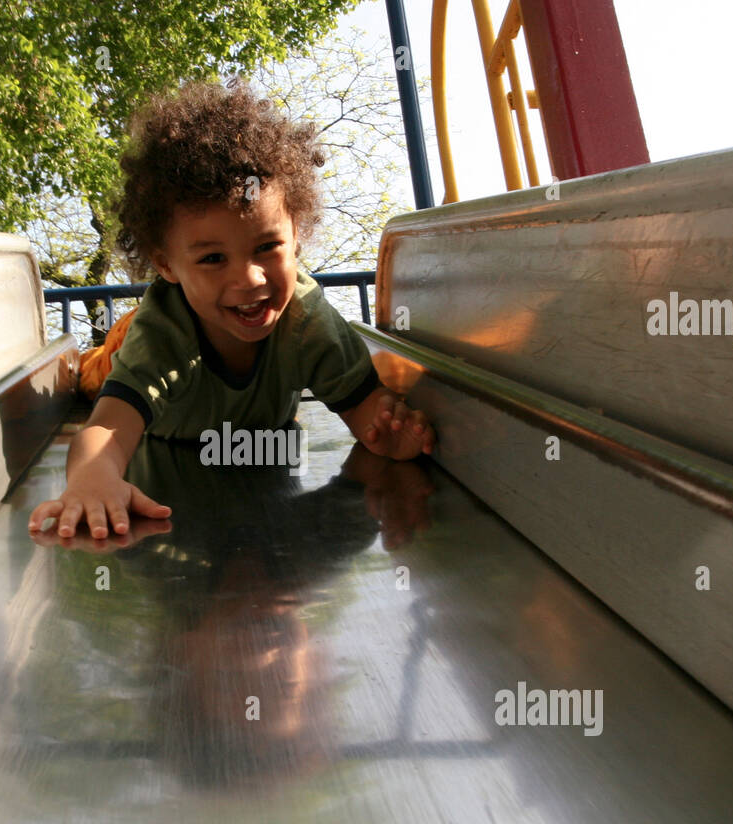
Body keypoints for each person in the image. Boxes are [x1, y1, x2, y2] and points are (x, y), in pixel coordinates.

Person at [29, 79, 436, 541]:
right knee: (98, 372)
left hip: (246, 440)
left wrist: (386, 429)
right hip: (140, 367)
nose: (249, 280)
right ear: (166, 263)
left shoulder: (307, 320)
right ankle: (93, 359)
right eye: (212, 259)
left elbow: (366, 406)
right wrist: (92, 478)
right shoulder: (163, 333)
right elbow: (107, 428)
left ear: (296, 234)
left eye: (266, 247)